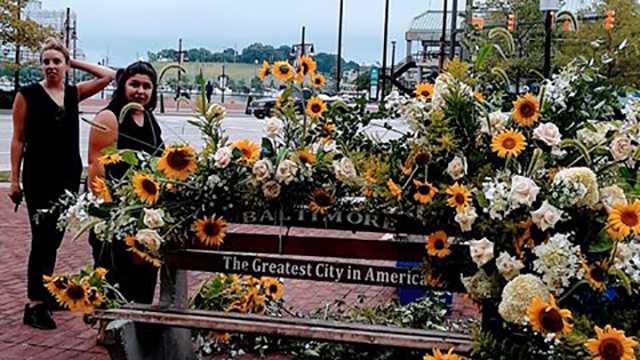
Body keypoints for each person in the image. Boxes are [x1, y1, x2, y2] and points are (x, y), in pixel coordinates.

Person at [9, 37, 115, 330]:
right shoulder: (27, 94)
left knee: (54, 238)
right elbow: (17, 139)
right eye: (46, 62)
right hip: (37, 176)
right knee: (41, 239)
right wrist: (14, 180)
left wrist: (73, 60)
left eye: (57, 61)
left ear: (65, 66)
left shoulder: (72, 93)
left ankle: (44, 293)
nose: (51, 66)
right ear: (41, 65)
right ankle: (34, 305)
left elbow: (108, 76)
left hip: (67, 175)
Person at [87, 61, 164, 304]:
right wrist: (107, 209)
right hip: (117, 209)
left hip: (144, 209)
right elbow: (96, 164)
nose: (140, 91)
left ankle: (138, 328)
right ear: (123, 86)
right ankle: (107, 328)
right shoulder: (109, 117)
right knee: (113, 274)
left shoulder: (150, 118)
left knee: (144, 274)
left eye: (146, 86)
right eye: (134, 84)